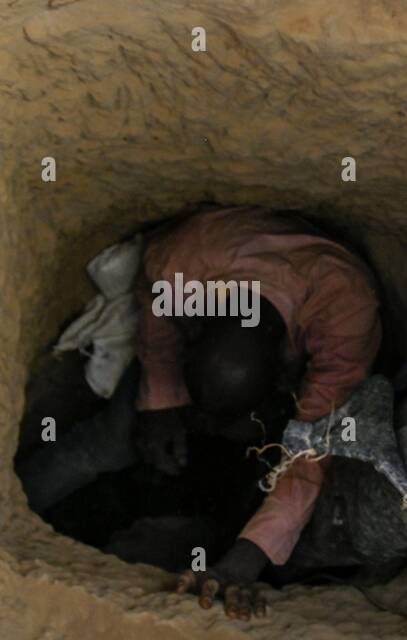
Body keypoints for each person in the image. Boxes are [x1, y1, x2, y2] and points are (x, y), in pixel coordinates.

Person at [132, 206, 381, 617]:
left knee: (290, 482)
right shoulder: (179, 267)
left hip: (308, 352)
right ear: (197, 326)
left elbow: (312, 452)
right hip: (220, 256)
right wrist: (160, 401)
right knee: (112, 438)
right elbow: (153, 300)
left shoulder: (345, 310)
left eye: (228, 417)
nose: (214, 429)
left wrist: (245, 561)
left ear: (284, 377)